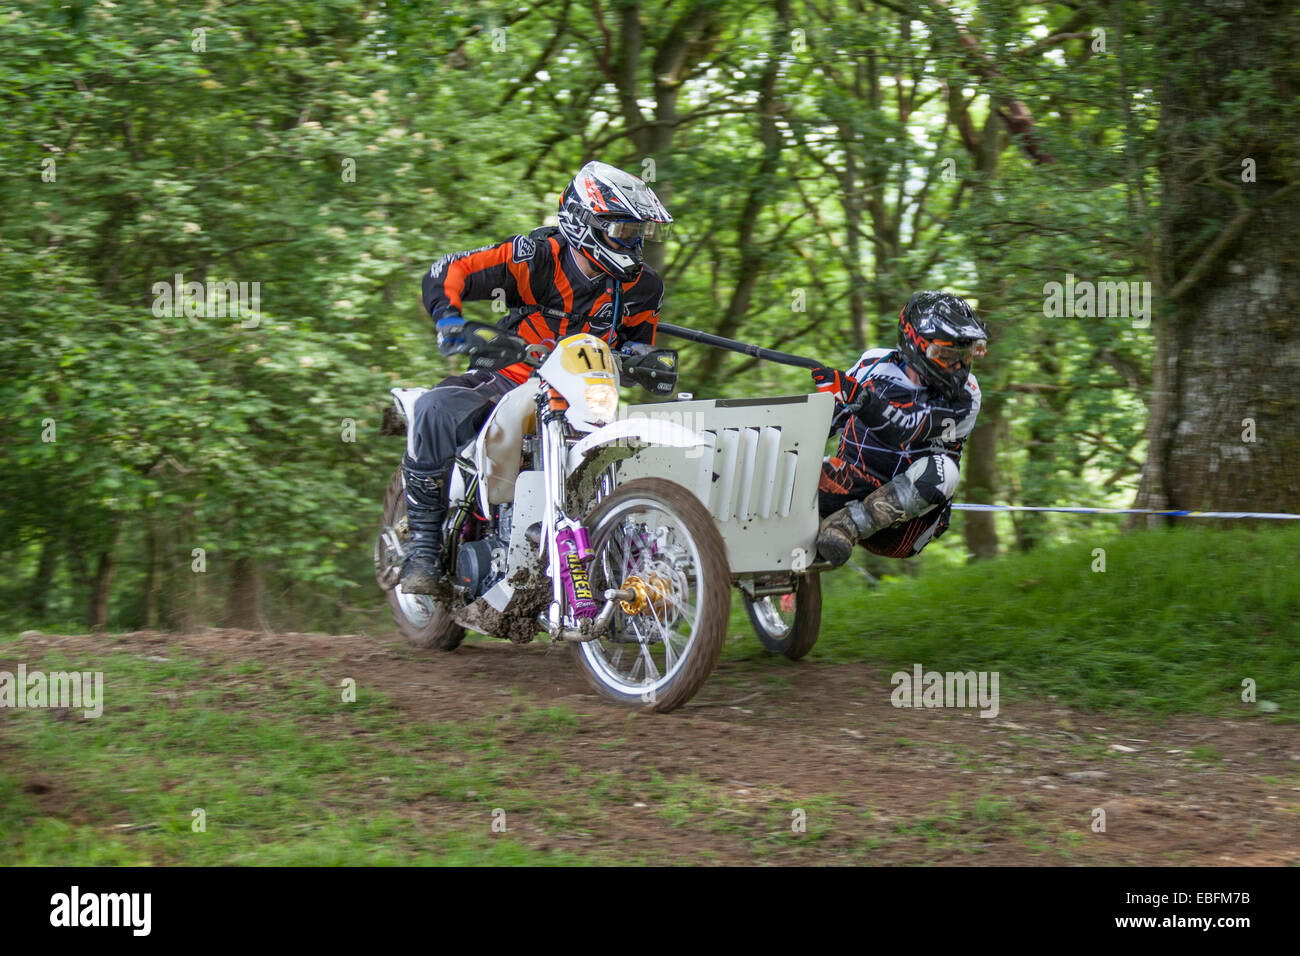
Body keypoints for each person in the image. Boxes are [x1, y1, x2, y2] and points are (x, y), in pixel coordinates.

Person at [399, 161, 673, 593]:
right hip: (513, 376)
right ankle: (423, 550)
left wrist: (642, 357)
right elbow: (448, 270)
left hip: (591, 391)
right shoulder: (538, 256)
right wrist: (450, 321)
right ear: (586, 221)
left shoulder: (643, 287)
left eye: (639, 232)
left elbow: (638, 344)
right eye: (623, 231)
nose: (634, 242)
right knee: (433, 409)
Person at [810, 291, 988, 566]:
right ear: (914, 344)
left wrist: (857, 396)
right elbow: (824, 425)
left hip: (907, 525)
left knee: (944, 471)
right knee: (797, 469)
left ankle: (847, 525)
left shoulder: (967, 395)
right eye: (946, 354)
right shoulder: (873, 364)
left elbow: (904, 429)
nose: (958, 365)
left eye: (965, 354)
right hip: (851, 486)